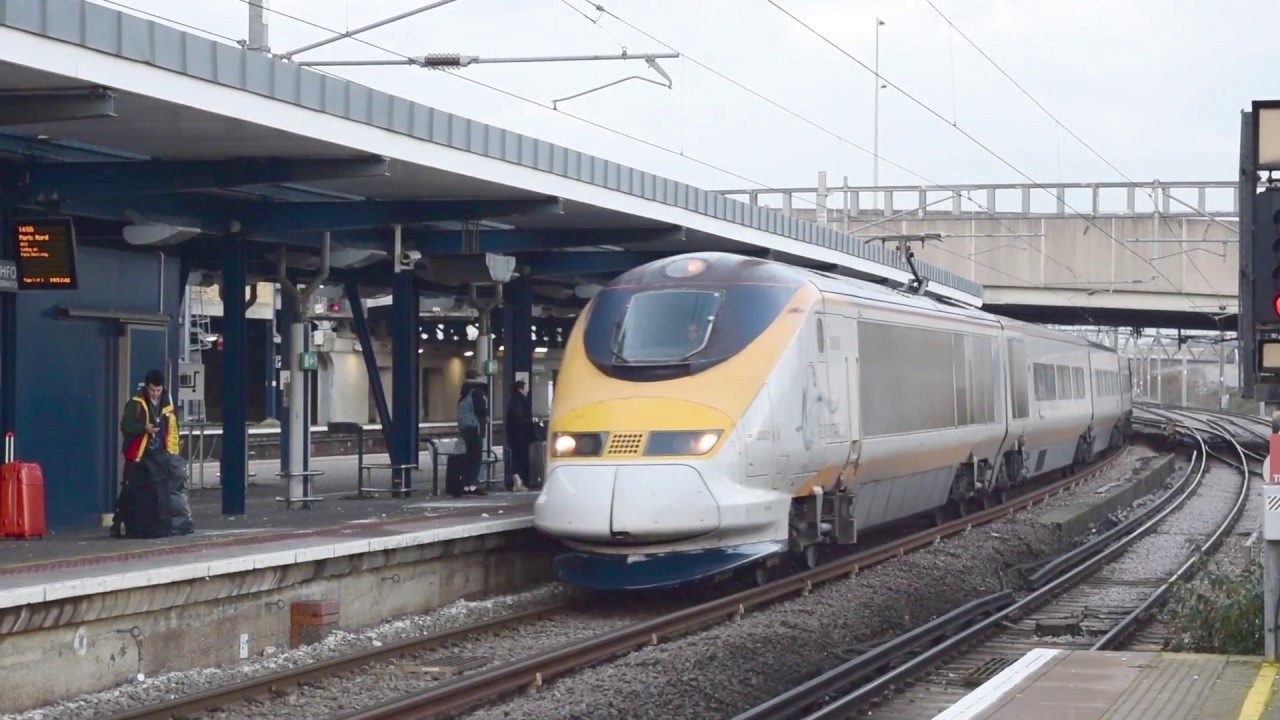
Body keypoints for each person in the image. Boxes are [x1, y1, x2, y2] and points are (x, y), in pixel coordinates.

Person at [111, 369, 179, 537]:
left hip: (158, 455)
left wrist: (172, 452)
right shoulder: (136, 403)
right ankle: (119, 524)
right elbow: (125, 426)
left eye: (158, 390)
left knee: (159, 492)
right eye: (152, 390)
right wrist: (143, 429)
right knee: (129, 490)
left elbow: (172, 429)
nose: (155, 394)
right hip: (138, 455)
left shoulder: (166, 404)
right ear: (146, 387)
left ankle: (157, 524)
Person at [454, 369, 489, 497]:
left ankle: (465, 485)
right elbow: (480, 409)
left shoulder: (464, 393)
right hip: (476, 428)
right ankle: (470, 486)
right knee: (476, 459)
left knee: (469, 458)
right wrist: (485, 416)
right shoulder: (477, 392)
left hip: (465, 429)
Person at [504, 380, 534, 491]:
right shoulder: (520, 401)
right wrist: (531, 421)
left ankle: (517, 478)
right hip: (521, 435)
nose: (528, 390)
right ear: (520, 389)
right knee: (520, 458)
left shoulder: (513, 400)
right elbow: (520, 418)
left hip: (515, 435)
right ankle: (519, 480)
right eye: (526, 387)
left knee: (517, 458)